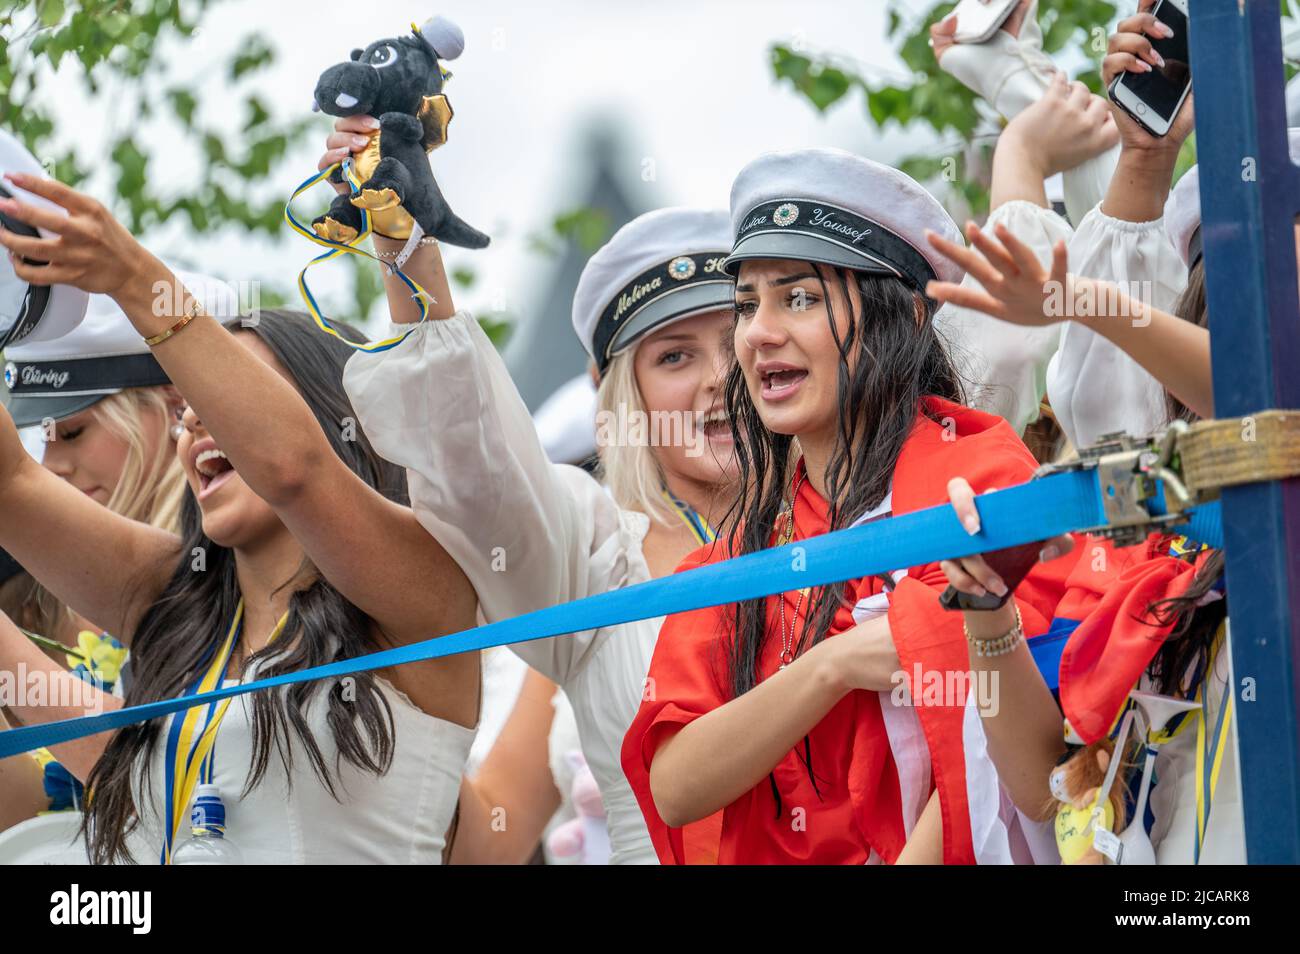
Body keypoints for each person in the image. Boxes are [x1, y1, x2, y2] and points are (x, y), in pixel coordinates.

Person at [0, 171, 481, 863]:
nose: (195, 423)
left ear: (334, 417)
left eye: (220, 405)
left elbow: (294, 470)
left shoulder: (419, 596)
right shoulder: (178, 598)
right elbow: (11, 486)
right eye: (190, 414)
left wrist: (132, 276)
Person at [620, 148, 1078, 865]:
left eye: (797, 297)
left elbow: (1007, 768)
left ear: (900, 316)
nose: (758, 331)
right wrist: (832, 666)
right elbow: (675, 784)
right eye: (748, 304)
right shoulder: (740, 551)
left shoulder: (977, 480)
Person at [326, 108, 740, 861]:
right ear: (623, 395)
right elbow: (480, 473)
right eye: (675, 358)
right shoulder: (596, 556)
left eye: (737, 341)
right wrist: (403, 236)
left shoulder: (857, 511)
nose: (719, 381)